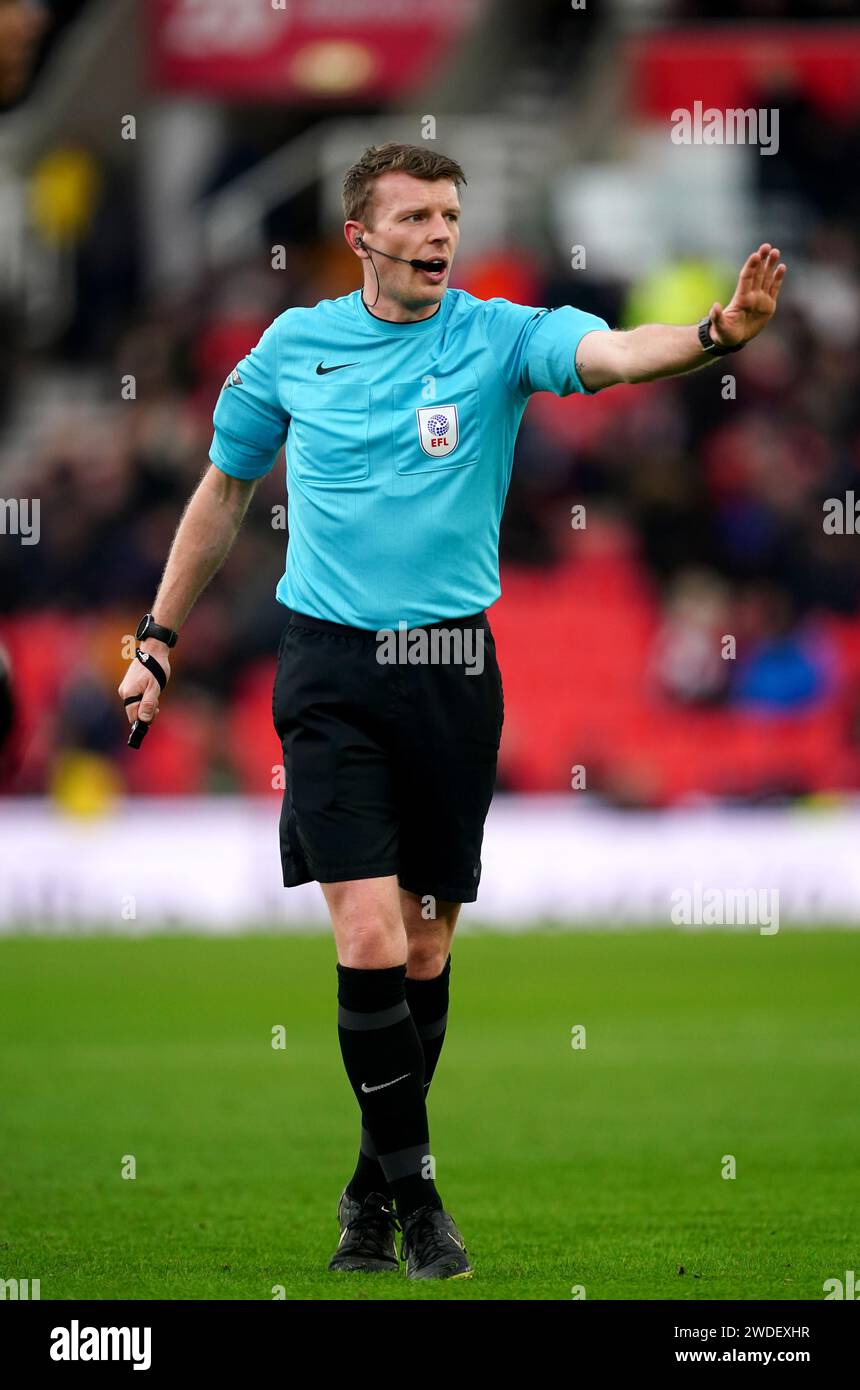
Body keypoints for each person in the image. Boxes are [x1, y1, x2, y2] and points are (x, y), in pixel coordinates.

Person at [118, 142, 786, 1280]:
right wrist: (158, 640)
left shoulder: (494, 336)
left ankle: (366, 1191)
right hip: (328, 673)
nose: (438, 235)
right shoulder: (290, 350)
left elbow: (612, 352)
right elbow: (221, 492)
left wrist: (713, 336)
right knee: (368, 934)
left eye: (449, 216)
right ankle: (421, 1206)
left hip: (450, 672)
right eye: (416, 216)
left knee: (423, 950)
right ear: (361, 233)